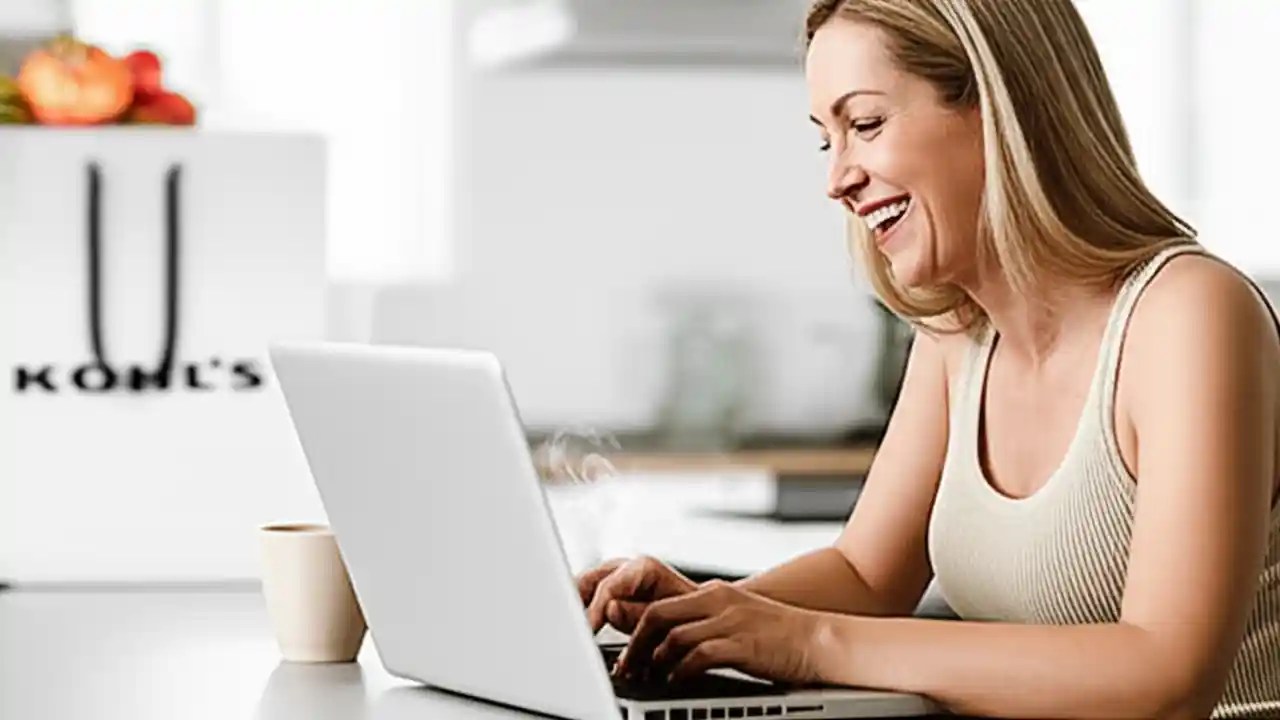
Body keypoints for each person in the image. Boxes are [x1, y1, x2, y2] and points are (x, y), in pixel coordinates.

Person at [575, 1, 1280, 717]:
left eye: (867, 125)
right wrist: (704, 615)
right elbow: (865, 574)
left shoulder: (1189, 314)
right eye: (828, 141)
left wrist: (813, 640)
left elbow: (1168, 675)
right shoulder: (958, 336)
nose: (838, 179)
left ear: (1001, 108)